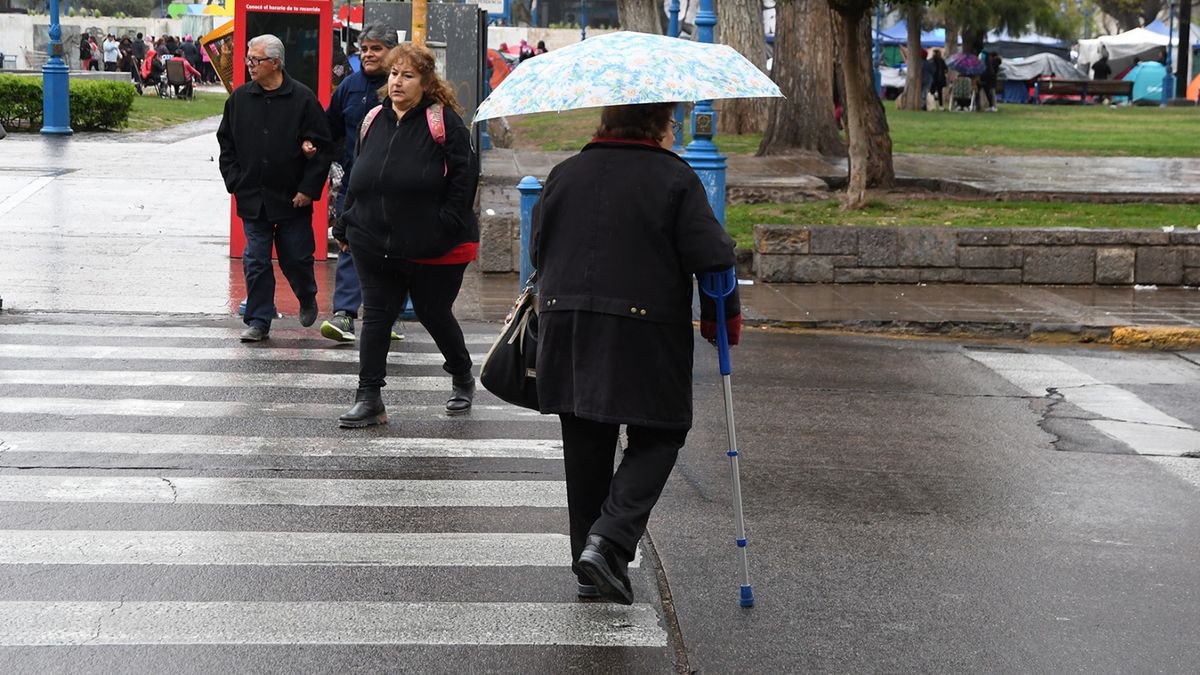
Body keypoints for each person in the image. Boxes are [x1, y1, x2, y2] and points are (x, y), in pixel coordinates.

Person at [530, 103, 742, 604]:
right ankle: (609, 542)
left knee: (586, 441)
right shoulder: (674, 177)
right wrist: (723, 319)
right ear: (655, 125)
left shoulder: (565, 172)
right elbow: (714, 258)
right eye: (670, 124)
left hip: (568, 321)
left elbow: (539, 248)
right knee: (662, 430)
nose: (673, 133)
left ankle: (590, 562)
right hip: (643, 328)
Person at [332, 42, 480, 426]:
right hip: (373, 241)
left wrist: (444, 225)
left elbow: (464, 181)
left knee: (433, 312)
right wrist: (345, 220)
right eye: (395, 74)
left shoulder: (443, 122)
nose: (397, 82)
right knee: (377, 316)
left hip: (430, 246)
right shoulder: (373, 119)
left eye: (408, 75)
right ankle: (369, 398)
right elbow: (358, 175)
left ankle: (462, 376)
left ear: (426, 82)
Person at [217, 34, 332, 342]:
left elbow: (322, 148)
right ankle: (259, 318)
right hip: (253, 196)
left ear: (275, 63)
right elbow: (225, 143)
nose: (249, 65)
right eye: (248, 59)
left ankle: (306, 295)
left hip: (293, 198)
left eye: (256, 60)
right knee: (255, 259)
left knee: (296, 257)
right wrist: (235, 181)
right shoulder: (239, 99)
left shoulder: (303, 99)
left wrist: (308, 189)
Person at [314, 23, 399, 344]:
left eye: (376, 48)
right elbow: (328, 127)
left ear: (392, 52)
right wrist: (314, 145)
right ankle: (345, 315)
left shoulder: (402, 87)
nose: (368, 55)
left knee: (392, 249)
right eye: (364, 49)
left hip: (396, 187)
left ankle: (388, 314)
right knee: (349, 244)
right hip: (354, 184)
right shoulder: (349, 87)